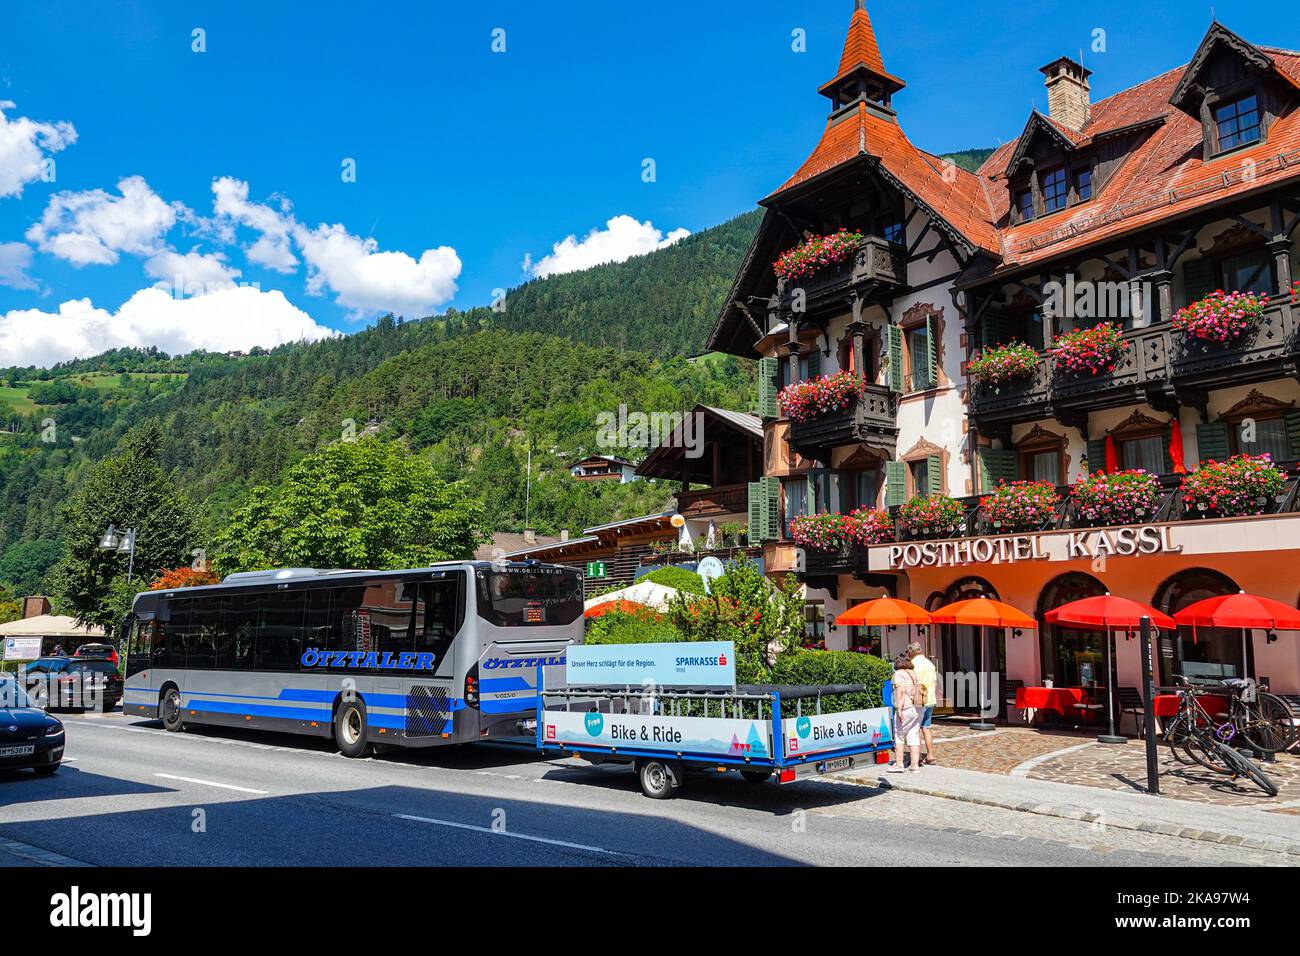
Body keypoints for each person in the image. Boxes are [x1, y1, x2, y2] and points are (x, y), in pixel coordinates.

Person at [889, 653, 923, 773]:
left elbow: (901, 692)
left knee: (899, 734)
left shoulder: (898, 674)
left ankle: (899, 764)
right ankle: (914, 765)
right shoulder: (913, 673)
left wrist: (899, 709)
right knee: (913, 734)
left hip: (906, 707)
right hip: (918, 707)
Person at [908, 641, 938, 766]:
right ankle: (930, 755)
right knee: (926, 727)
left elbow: (913, 684)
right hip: (930, 699)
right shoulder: (929, 663)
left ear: (911, 652)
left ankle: (918, 757)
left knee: (915, 729)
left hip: (919, 700)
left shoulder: (913, 665)